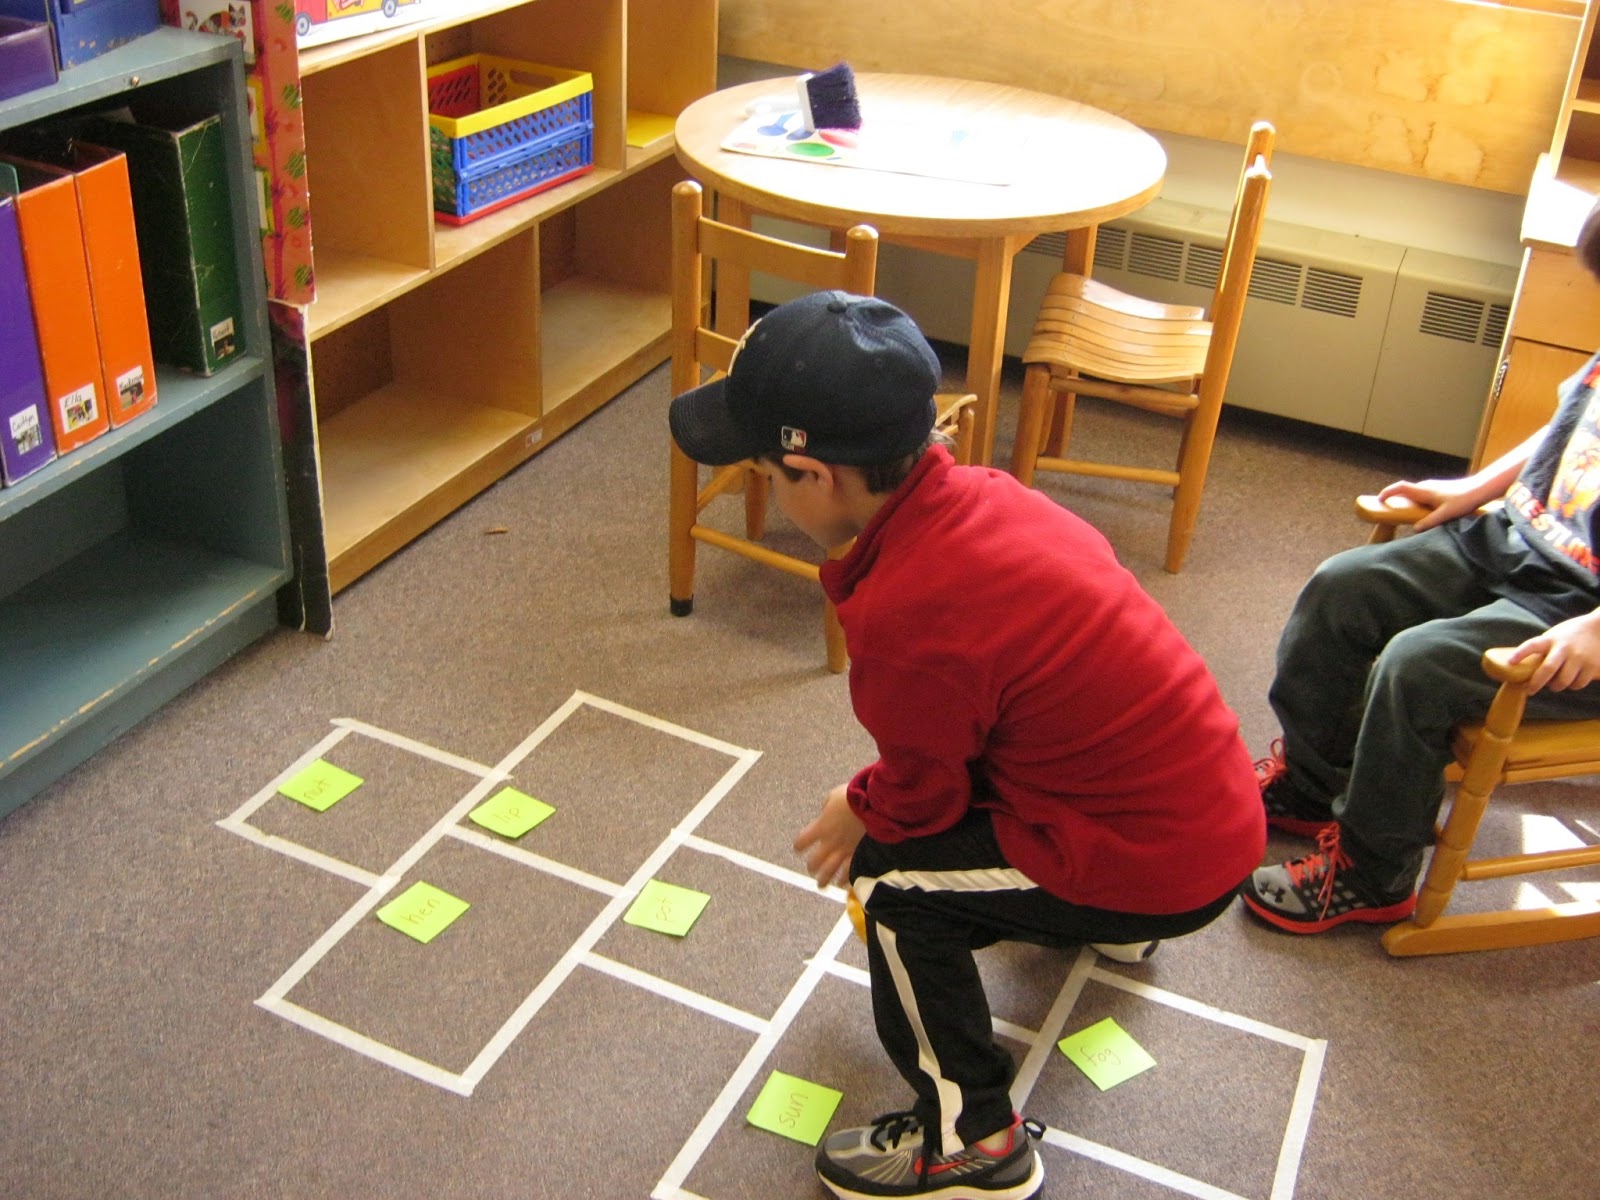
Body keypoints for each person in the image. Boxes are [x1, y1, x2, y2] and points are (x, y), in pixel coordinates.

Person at [668, 290, 1265, 1200]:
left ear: (815, 476)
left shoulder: (912, 612)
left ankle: (973, 1143)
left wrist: (857, 807)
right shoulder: (988, 495)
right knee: (945, 823)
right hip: (1208, 809)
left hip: (1159, 863)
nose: (768, 491)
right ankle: (1118, 930)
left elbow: (921, 800)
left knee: (892, 882)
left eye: (765, 473)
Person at [1238, 198, 1600, 937]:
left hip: (1578, 619)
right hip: (1514, 539)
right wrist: (1475, 488)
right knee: (1343, 589)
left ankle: (1374, 872)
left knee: (1417, 667)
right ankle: (1315, 784)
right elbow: (1564, 429)